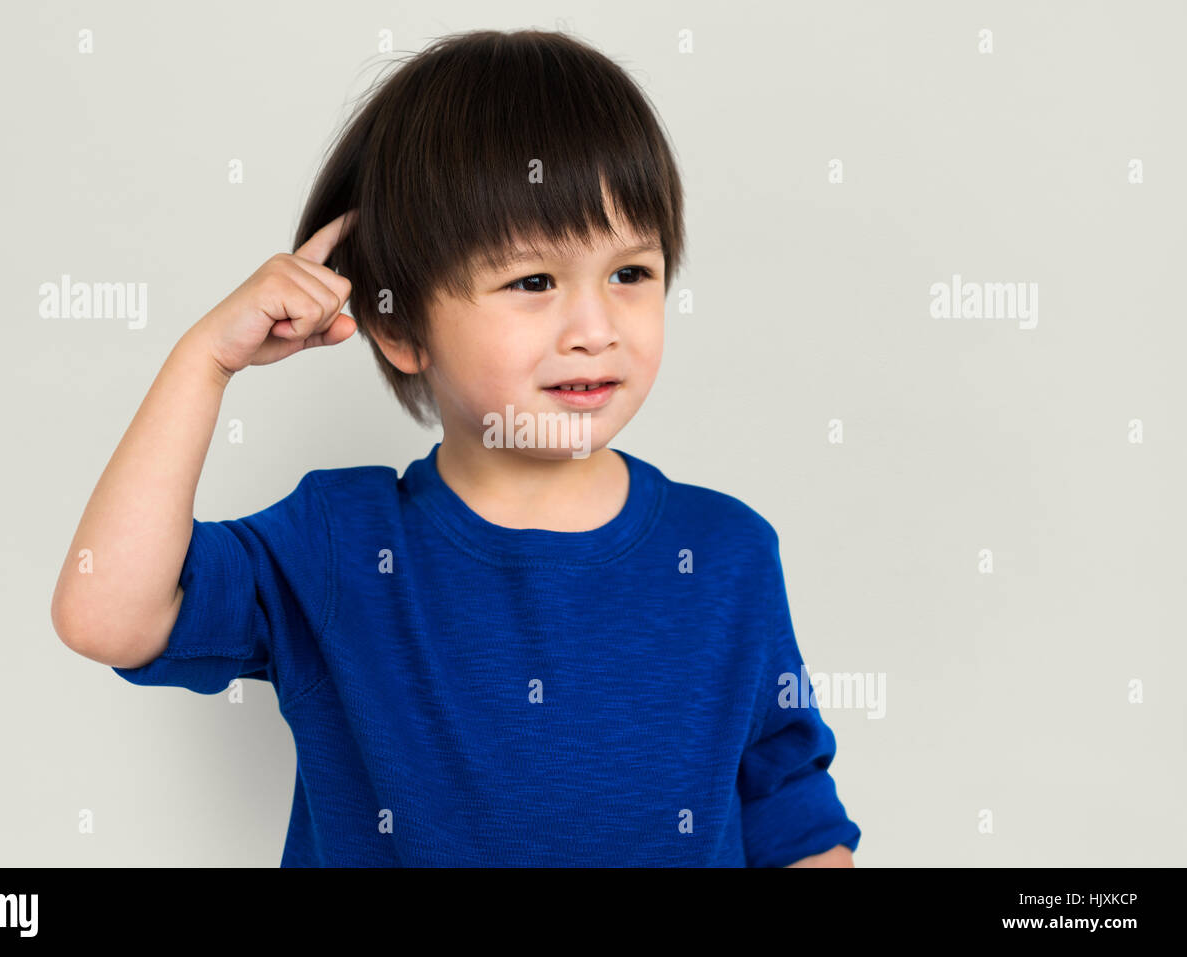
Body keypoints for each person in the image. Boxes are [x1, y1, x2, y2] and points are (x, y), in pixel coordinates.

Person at [50, 28, 861, 867]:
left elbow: (789, 808)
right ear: (400, 324)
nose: (595, 330)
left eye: (630, 274)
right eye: (533, 282)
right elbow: (106, 613)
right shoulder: (340, 546)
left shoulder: (727, 553)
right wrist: (203, 363)